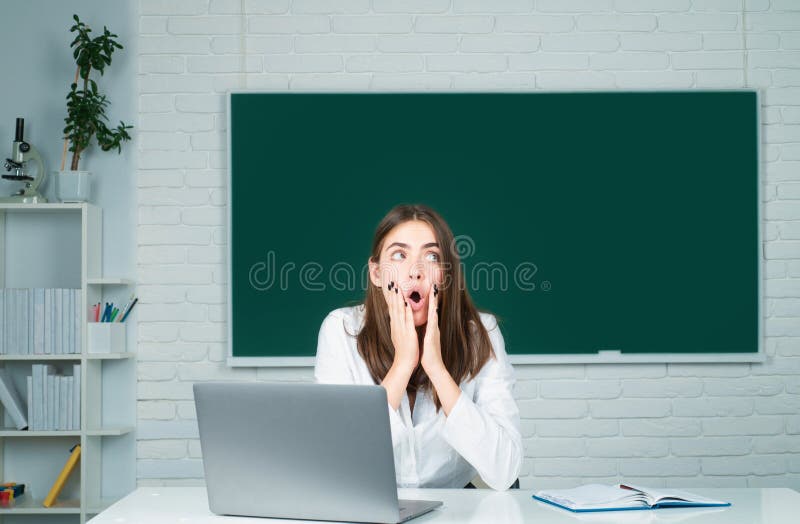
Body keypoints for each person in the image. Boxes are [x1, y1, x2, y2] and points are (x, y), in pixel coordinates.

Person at [314, 204, 522, 490]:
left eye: (432, 256)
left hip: (455, 506)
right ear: (376, 273)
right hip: (369, 501)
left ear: (445, 276)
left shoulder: (480, 334)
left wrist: (436, 369)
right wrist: (403, 363)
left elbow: (505, 471)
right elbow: (337, 460)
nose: (415, 271)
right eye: (399, 255)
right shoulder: (341, 330)